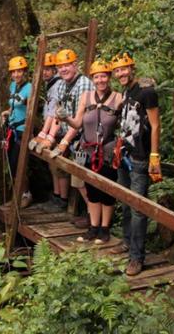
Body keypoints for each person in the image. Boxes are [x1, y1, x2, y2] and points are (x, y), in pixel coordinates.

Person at [108, 53, 161, 276]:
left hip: (140, 156)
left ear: (132, 68)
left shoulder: (147, 93)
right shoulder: (127, 91)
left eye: (124, 69)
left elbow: (155, 125)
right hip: (124, 152)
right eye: (117, 70)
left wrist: (154, 156)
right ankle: (127, 242)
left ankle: (137, 257)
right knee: (125, 201)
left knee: (138, 207)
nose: (121, 73)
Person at [57, 60, 122, 245]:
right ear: (92, 79)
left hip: (108, 151)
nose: (100, 80)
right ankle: (93, 228)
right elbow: (78, 123)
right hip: (88, 150)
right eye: (97, 77)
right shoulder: (86, 97)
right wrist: (65, 118)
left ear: (109, 77)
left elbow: (125, 123)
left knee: (107, 191)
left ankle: (105, 229)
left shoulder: (118, 98)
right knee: (92, 190)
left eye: (103, 76)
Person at [36, 49, 94, 219]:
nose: (63, 69)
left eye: (67, 65)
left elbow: (79, 119)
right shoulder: (61, 84)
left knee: (81, 178)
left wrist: (64, 142)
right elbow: (57, 114)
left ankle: (91, 216)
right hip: (65, 134)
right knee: (57, 166)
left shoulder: (84, 84)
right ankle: (64, 202)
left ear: (75, 65)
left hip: (83, 138)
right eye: (60, 66)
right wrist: (50, 137)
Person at [24, 52, 62, 208]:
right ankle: (56, 195)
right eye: (43, 69)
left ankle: (60, 198)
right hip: (50, 129)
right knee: (53, 166)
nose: (45, 72)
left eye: (48, 69)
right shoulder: (50, 84)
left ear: (54, 70)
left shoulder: (57, 85)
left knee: (57, 166)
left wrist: (46, 134)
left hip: (57, 130)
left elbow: (54, 111)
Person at [1, 56, 32, 178]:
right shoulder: (13, 85)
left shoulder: (30, 88)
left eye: (19, 71)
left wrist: (29, 129)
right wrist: (7, 112)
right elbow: (14, 105)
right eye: (13, 72)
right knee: (10, 163)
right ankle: (16, 187)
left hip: (22, 130)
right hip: (12, 127)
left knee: (17, 164)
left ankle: (23, 188)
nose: (16, 74)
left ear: (24, 72)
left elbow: (30, 110)